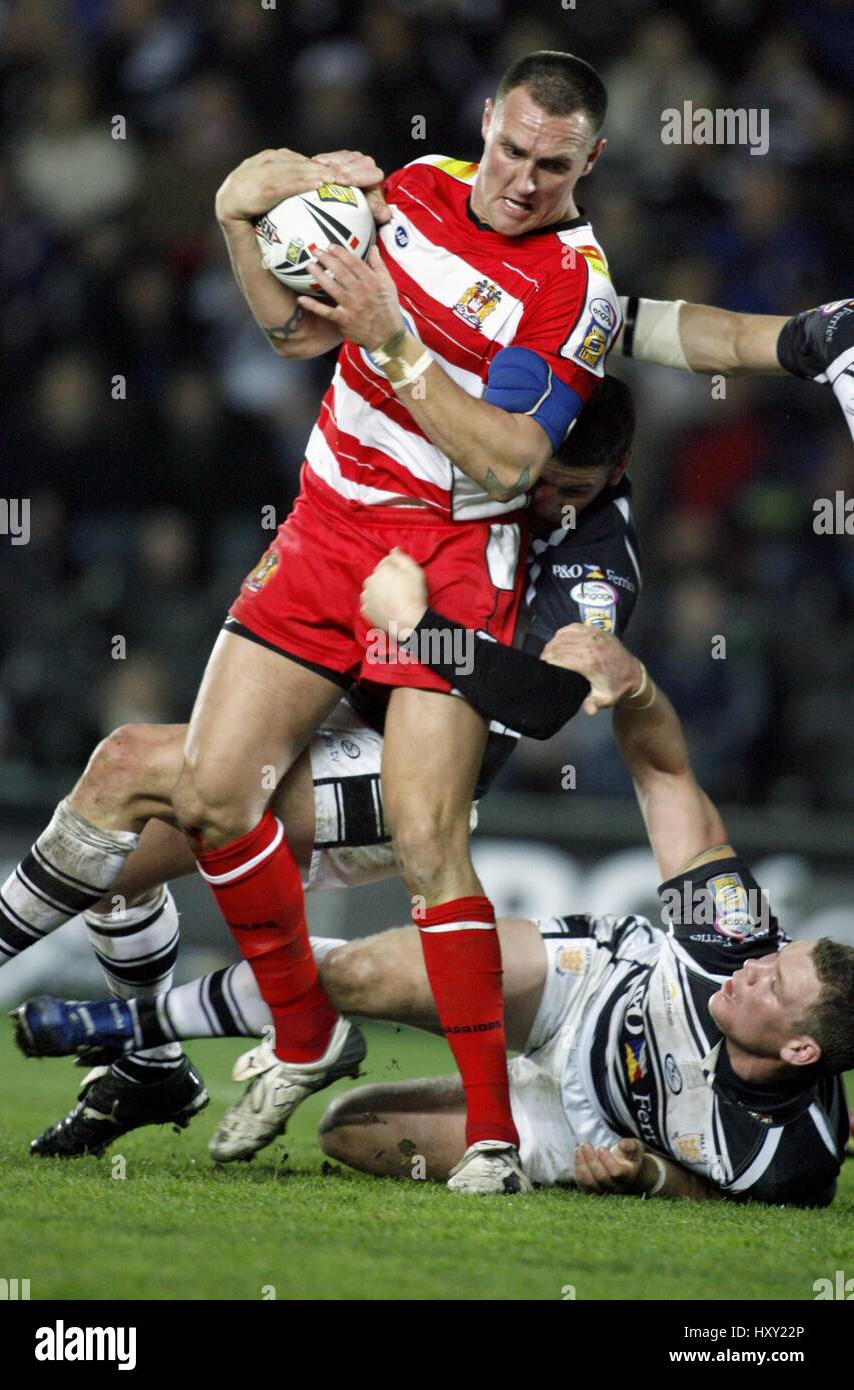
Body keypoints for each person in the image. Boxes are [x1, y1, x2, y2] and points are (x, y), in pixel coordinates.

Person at [0, 293, 850, 1159]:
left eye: (572, 491)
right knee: (112, 867)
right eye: (543, 474)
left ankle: (273, 1047)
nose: (543, 499)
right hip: (327, 715)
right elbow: (647, 322)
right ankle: (154, 1064)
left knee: (136, 768)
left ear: (616, 472)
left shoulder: (593, 562)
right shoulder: (483, 437)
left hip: (410, 776)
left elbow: (544, 703)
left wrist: (420, 631)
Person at [161, 49, 622, 1193]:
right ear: (484, 126)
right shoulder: (408, 191)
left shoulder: (577, 287)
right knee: (212, 795)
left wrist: (395, 336)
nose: (522, 179)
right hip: (325, 529)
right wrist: (238, 215)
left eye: (550, 164)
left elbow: (512, 457)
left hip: (454, 558)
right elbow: (290, 335)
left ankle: (489, 1141)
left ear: (587, 162)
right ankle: (304, 1031)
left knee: (426, 842)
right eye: (511, 149)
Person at [15, 628, 854, 1205]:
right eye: (766, 957)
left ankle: (503, 1109)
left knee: (351, 1132)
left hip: (577, 1127)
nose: (754, 962)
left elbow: (717, 1188)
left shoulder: (797, 1161)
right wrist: (635, 687)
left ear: (799, 1048)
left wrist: (644, 1179)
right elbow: (669, 781)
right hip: (583, 990)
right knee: (354, 974)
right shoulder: (733, 933)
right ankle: (125, 1025)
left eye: (771, 982)